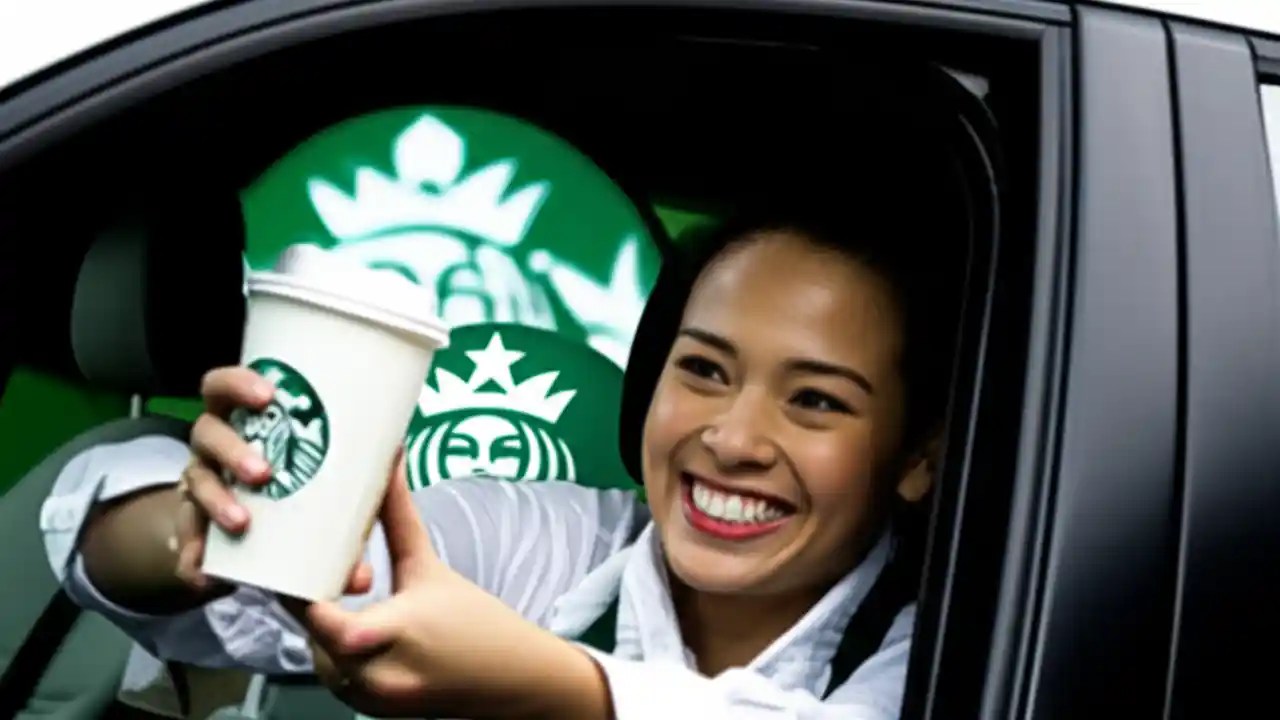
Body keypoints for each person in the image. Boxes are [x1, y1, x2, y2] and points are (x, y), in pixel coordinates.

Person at [41, 180, 968, 719]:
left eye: (813, 401)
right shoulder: (544, 541)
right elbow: (236, 589)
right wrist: (202, 530)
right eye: (705, 371)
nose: (730, 438)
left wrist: (551, 686)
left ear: (918, 455)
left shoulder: (964, 643)